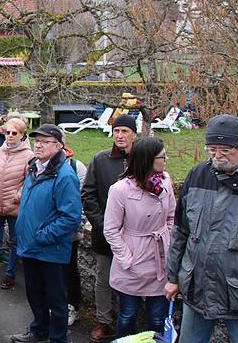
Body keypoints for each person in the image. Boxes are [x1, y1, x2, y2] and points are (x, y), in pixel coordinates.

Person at [165, 114, 238, 343]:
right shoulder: (198, 175)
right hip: (197, 291)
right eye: (211, 149)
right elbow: (181, 232)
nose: (217, 156)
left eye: (225, 151)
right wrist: (173, 277)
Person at [11, 124, 81, 343]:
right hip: (30, 246)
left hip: (51, 250)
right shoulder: (35, 167)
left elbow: (71, 217)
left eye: (44, 141)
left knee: (56, 299)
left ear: (58, 146)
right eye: (37, 140)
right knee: (34, 294)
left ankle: (58, 339)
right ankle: (39, 330)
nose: (38, 145)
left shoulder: (65, 175)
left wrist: (42, 236)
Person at [103, 137, 175, 338]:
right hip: (132, 262)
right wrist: (127, 258)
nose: (166, 159)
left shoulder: (165, 181)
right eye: (162, 156)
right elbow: (111, 229)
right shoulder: (120, 190)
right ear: (147, 160)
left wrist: (167, 245)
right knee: (127, 315)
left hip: (159, 260)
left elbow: (171, 217)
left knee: (157, 318)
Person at [82, 114, 138, 342]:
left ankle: (129, 324)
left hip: (136, 236)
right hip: (104, 234)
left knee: (132, 281)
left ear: (134, 134)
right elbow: (88, 194)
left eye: (125, 131)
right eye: (116, 131)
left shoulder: (143, 159)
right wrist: (104, 226)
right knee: (103, 279)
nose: (120, 135)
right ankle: (103, 320)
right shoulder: (100, 159)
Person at [0, 114, 33, 290]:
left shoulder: (29, 155)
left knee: (16, 241)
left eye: (14, 133)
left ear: (22, 135)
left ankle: (10, 273)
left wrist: (17, 196)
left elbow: (29, 181)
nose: (10, 135)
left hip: (15, 207)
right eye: (7, 132)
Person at [62, 143, 87, 327]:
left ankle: (72, 306)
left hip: (70, 231)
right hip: (49, 231)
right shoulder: (40, 164)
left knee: (70, 269)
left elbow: (83, 197)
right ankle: (57, 304)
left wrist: (79, 224)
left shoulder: (75, 166)